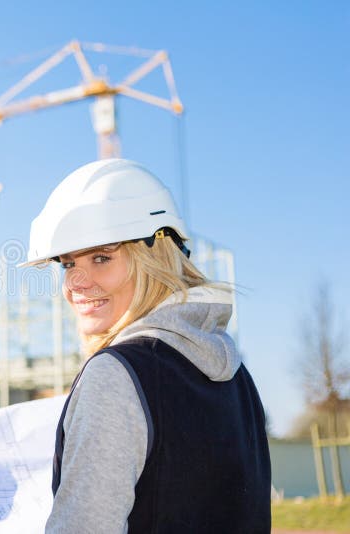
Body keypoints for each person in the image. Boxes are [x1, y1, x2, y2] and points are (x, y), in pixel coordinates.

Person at [21, 159, 270, 533]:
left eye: (102, 257)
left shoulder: (116, 374)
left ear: (154, 257)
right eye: (67, 264)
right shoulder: (237, 376)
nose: (76, 282)